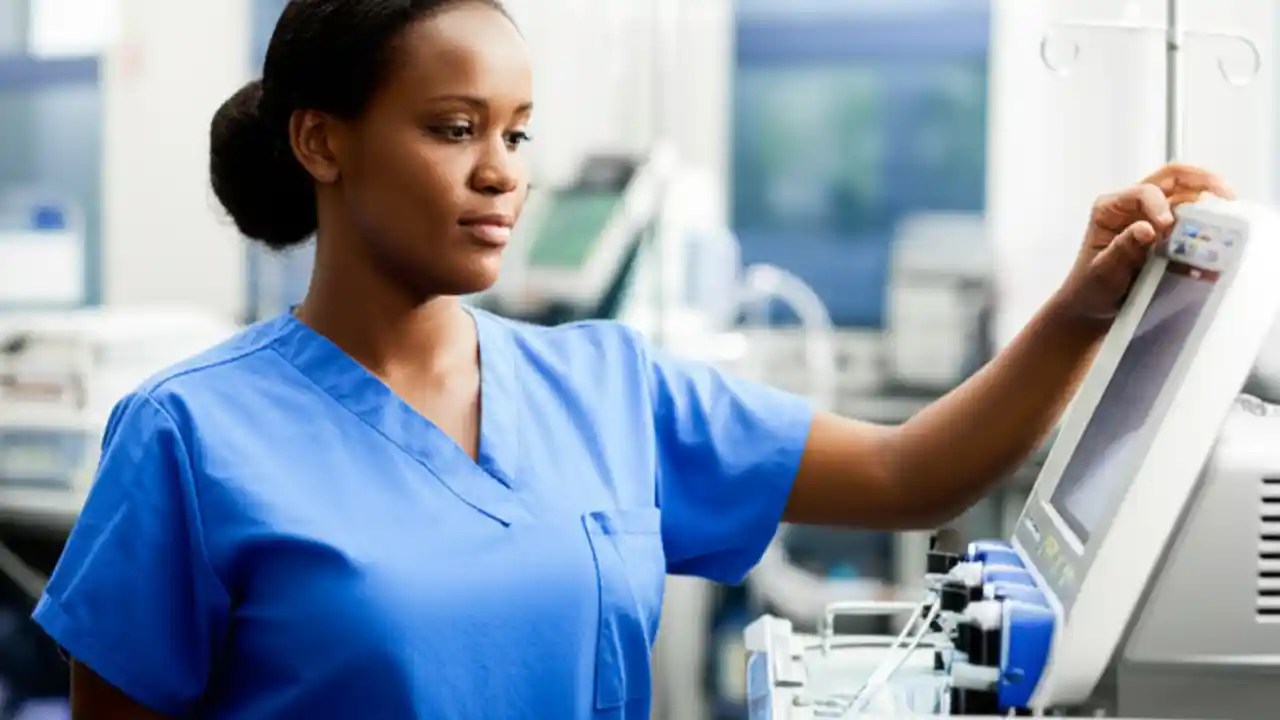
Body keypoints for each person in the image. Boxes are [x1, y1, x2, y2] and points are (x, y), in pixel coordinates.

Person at [32, 1, 1233, 718]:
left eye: (515, 133)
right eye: (452, 130)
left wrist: (1084, 303)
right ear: (320, 142)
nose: (503, 171)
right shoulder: (189, 436)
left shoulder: (607, 386)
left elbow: (911, 476)